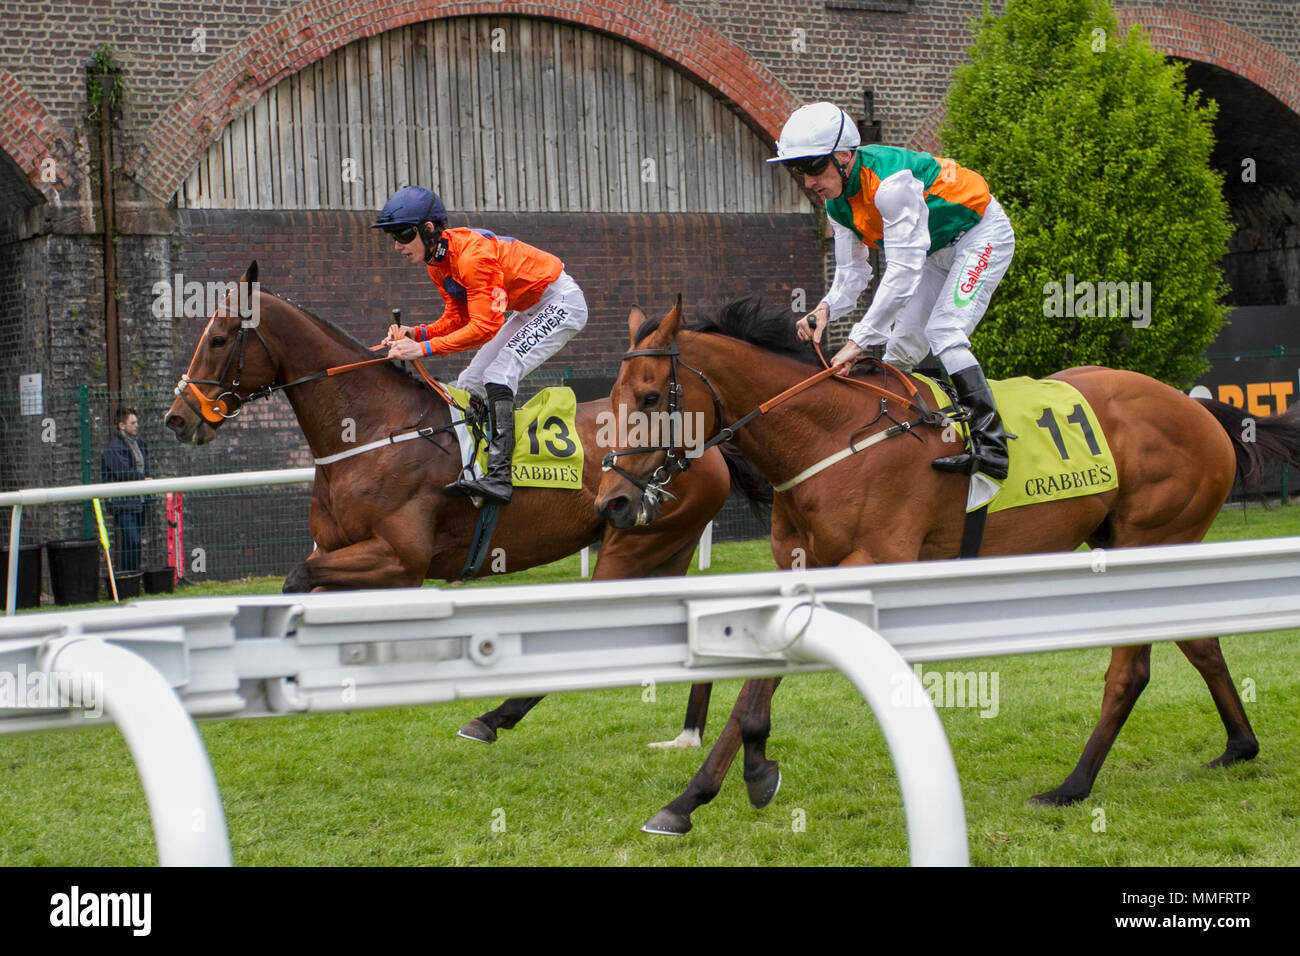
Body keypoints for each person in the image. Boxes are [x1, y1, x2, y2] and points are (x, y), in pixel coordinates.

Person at [768, 102, 1015, 480]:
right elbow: (853, 273)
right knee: (899, 353)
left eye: (813, 166)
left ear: (844, 156)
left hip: (980, 237)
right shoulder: (838, 206)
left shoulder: (891, 185)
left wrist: (858, 341)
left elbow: (902, 271)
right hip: (935, 254)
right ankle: (908, 446)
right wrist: (825, 309)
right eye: (795, 169)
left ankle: (992, 448)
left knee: (945, 332)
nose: (807, 181)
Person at [374, 186, 588, 504]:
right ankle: (475, 464)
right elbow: (458, 318)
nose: (397, 246)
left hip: (561, 302)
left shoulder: (472, 257)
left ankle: (500, 477)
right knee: (470, 382)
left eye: (403, 235)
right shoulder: (437, 263)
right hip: (527, 307)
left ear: (428, 229)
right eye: (393, 237)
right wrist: (416, 334)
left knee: (499, 374)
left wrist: (424, 350)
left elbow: (485, 327)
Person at [100, 406, 149, 572]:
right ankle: (128, 575)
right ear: (121, 426)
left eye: (137, 422)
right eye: (132, 423)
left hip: (138, 501)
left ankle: (132, 576)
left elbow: (143, 466)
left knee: (134, 544)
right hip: (123, 503)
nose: (136, 426)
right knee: (132, 541)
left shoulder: (139, 443)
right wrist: (143, 479)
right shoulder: (114, 448)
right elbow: (123, 473)